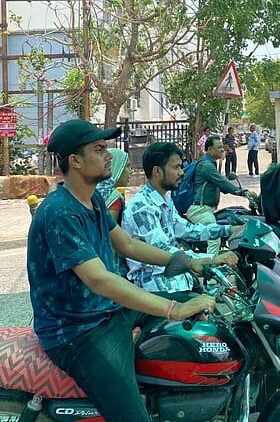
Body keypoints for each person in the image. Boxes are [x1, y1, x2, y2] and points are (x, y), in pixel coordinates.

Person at [28, 119, 217, 422]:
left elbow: (127, 244)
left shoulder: (92, 200)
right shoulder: (60, 212)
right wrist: (173, 309)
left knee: (194, 305)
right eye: (99, 149)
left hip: (107, 311)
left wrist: (185, 261)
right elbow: (99, 279)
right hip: (78, 331)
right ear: (75, 161)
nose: (109, 155)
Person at [122, 142, 239, 295]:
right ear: (157, 171)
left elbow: (187, 230)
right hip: (158, 286)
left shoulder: (164, 200)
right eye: (176, 167)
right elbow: (162, 249)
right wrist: (212, 258)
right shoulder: (142, 207)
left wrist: (229, 230)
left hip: (179, 279)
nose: (182, 172)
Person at [187, 136, 257, 255]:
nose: (222, 150)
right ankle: (211, 264)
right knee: (214, 237)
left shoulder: (211, 163)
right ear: (210, 149)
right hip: (200, 210)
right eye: (219, 147)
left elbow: (220, 185)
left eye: (222, 147)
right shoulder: (206, 165)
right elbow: (221, 182)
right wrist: (241, 192)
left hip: (206, 209)